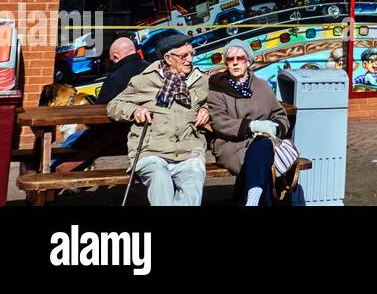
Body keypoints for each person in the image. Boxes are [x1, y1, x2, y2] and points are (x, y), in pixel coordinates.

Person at [106, 32, 210, 205]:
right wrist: (134, 110)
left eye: (192, 54)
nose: (190, 59)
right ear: (168, 58)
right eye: (184, 55)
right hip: (152, 152)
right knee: (161, 180)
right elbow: (114, 105)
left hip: (189, 151)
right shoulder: (144, 81)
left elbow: (212, 102)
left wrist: (206, 109)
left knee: (193, 187)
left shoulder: (200, 80)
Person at [205, 41, 291, 206]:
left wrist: (275, 127)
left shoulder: (261, 85)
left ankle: (252, 197)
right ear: (226, 63)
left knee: (262, 147)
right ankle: (254, 195)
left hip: (263, 142)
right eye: (230, 59)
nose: (235, 62)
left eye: (240, 58)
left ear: (248, 61)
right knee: (262, 162)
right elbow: (219, 122)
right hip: (231, 144)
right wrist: (252, 126)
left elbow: (280, 114)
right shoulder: (217, 87)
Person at [95, 36, 147, 105]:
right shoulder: (154, 67)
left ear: (116, 57)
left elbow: (101, 108)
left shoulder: (114, 79)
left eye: (112, 61)